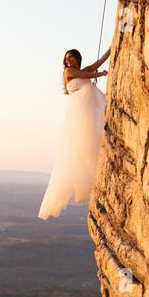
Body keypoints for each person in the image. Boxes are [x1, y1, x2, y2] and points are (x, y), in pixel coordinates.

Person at [38, 48, 109, 220]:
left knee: (90, 143)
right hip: (79, 112)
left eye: (71, 57)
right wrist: (102, 74)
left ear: (77, 58)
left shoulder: (79, 71)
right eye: (66, 58)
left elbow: (98, 62)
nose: (68, 60)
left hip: (85, 109)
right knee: (82, 143)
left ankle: (93, 175)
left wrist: (112, 47)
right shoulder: (69, 72)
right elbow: (88, 76)